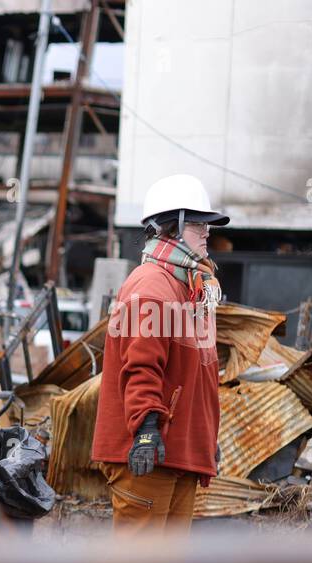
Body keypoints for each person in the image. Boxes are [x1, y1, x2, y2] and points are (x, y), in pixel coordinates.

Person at [91, 173, 228, 534]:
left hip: (178, 453)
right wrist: (147, 429)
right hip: (149, 450)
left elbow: (199, 380)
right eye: (199, 224)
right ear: (174, 227)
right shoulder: (153, 285)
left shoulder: (191, 290)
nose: (207, 233)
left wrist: (205, 438)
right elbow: (140, 367)